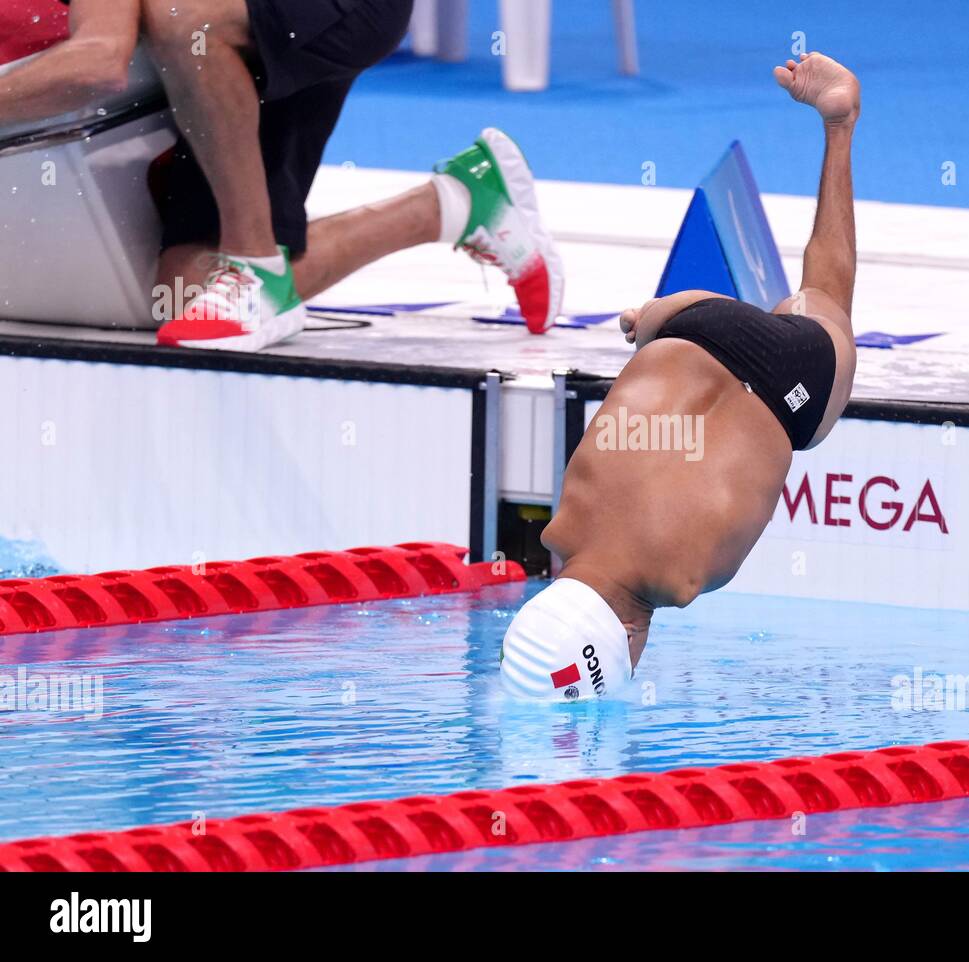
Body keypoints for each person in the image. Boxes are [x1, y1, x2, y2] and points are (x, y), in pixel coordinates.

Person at [499, 52, 860, 701]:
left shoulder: (688, 577)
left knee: (822, 307)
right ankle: (649, 313)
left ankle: (841, 123)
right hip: (682, 321)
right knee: (713, 361)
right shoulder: (561, 527)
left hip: (785, 370)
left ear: (625, 648)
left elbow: (772, 456)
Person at [0, 0, 563, 349]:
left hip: (297, 13)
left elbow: (99, 61)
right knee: (182, 294)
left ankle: (255, 265)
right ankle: (460, 202)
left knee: (182, 15)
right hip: (214, 55)